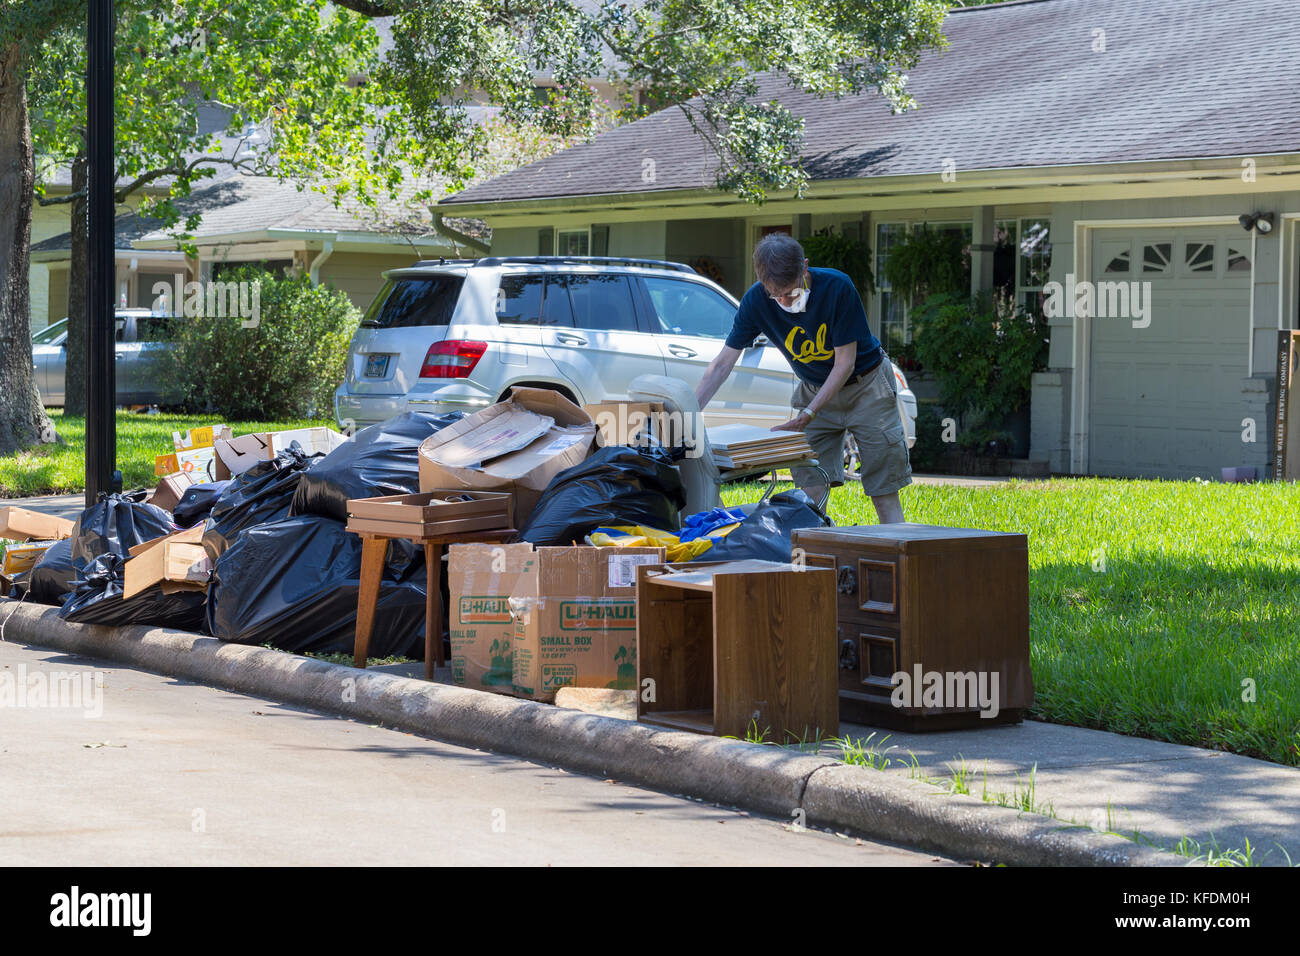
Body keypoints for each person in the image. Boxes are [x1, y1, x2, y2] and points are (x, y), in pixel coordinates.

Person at [694, 233, 911, 523]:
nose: (785, 300)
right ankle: (814, 558)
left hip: (867, 387)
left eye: (792, 292)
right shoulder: (756, 302)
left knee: (883, 492)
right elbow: (722, 364)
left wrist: (808, 414)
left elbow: (844, 364)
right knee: (809, 492)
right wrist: (687, 414)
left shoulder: (837, 288)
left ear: (805, 267)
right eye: (776, 295)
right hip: (814, 389)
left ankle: (896, 559)